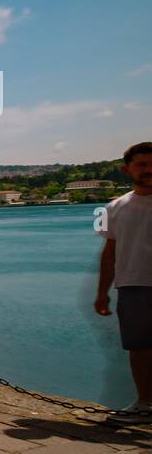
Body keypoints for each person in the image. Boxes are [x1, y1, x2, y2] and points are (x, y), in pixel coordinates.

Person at [96, 141, 152, 423]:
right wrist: (102, 293)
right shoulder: (113, 208)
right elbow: (109, 254)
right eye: (141, 165)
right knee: (138, 347)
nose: (148, 170)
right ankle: (145, 404)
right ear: (126, 169)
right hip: (131, 284)